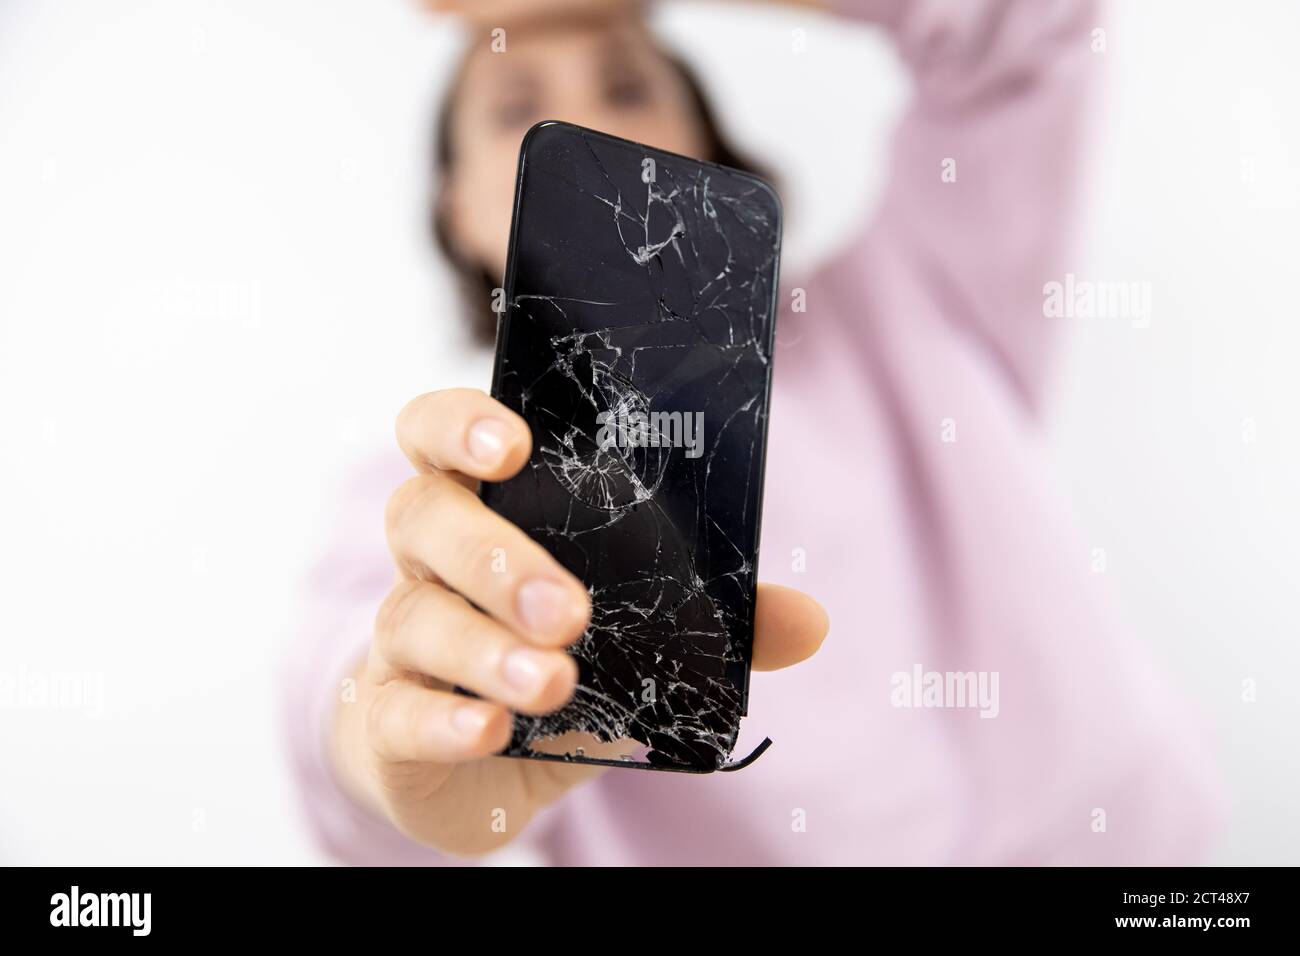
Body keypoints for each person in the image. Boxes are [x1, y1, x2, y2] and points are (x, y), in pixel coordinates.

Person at [283, 0, 1221, 865]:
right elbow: (336, 703)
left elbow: (1033, 26)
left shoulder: (921, 297)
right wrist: (399, 742)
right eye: (513, 107)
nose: (592, 127)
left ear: (705, 149)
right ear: (460, 210)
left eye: (627, 84)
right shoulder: (440, 486)